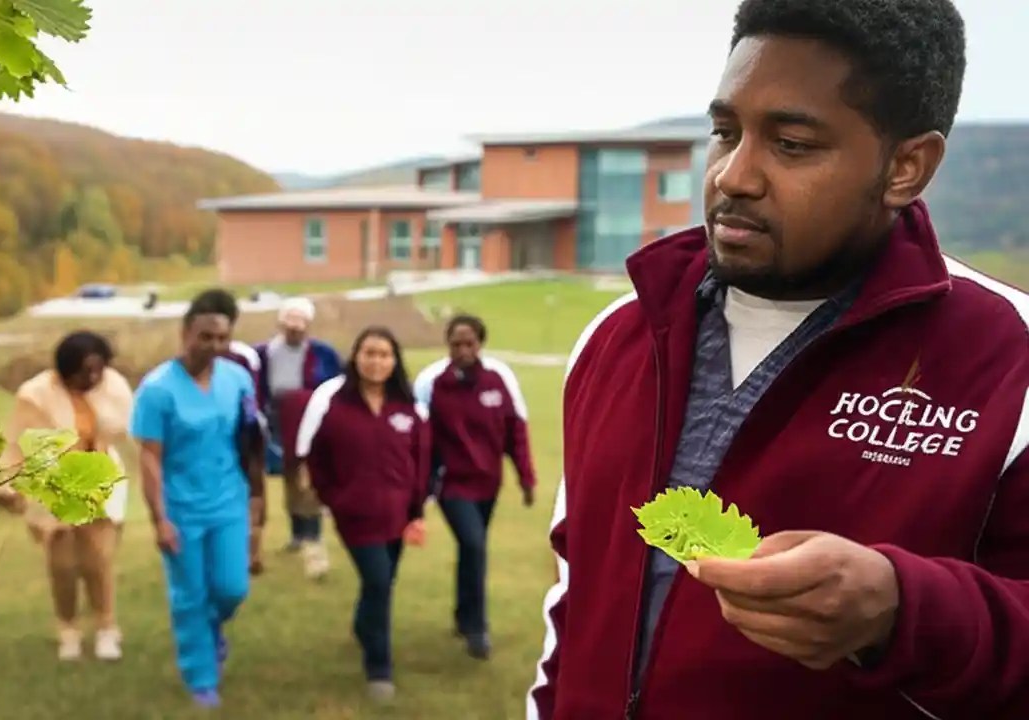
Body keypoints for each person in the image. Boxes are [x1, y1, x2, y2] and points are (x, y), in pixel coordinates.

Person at [529, 1, 1029, 718]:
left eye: (791, 144)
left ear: (906, 167)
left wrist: (904, 612)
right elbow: (573, 593)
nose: (734, 176)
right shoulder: (618, 335)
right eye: (725, 132)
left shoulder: (1009, 358)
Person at [130, 289, 265, 710]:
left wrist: (256, 500)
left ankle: (210, 630)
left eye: (222, 338)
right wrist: (159, 519)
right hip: (181, 509)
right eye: (205, 336)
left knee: (232, 588)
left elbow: (249, 441)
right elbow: (150, 459)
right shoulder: (157, 390)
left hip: (228, 502)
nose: (213, 346)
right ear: (185, 332)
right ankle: (201, 676)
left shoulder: (238, 379)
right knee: (190, 595)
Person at [295, 326, 431, 701]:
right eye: (368, 353)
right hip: (354, 515)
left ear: (395, 360)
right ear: (355, 357)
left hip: (398, 514)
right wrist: (334, 498)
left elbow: (421, 462)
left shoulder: (409, 406)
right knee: (379, 582)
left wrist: (417, 510)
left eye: (384, 354)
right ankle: (379, 668)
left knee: (381, 582)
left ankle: (361, 624)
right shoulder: (334, 403)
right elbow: (315, 458)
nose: (376, 361)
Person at [0, 331, 133, 662]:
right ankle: (68, 629)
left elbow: (122, 427)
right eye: (85, 371)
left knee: (98, 558)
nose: (92, 377)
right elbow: (19, 443)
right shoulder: (35, 394)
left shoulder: (112, 386)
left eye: (98, 369)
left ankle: (107, 628)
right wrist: (8, 486)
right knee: (64, 564)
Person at [414, 314, 537, 661]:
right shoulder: (433, 384)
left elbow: (515, 431)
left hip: (488, 483)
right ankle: (477, 629)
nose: (463, 350)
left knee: (471, 549)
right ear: (447, 345)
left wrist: (526, 478)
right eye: (456, 344)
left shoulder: (498, 380)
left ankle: (461, 615)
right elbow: (420, 442)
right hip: (451, 484)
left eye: (469, 343)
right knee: (474, 545)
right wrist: (418, 491)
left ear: (480, 344)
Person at [255, 297, 343, 578]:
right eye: (290, 321)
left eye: (300, 322)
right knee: (289, 476)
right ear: (280, 323)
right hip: (278, 419)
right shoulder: (263, 353)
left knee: (310, 476)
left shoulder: (324, 353)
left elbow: (339, 385)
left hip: (312, 418)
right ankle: (296, 533)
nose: (295, 327)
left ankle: (312, 533)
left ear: (308, 324)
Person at [223, 325, 268, 576]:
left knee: (254, 488)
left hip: (246, 427)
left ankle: (253, 554)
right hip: (215, 429)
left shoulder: (244, 355)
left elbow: (254, 394)